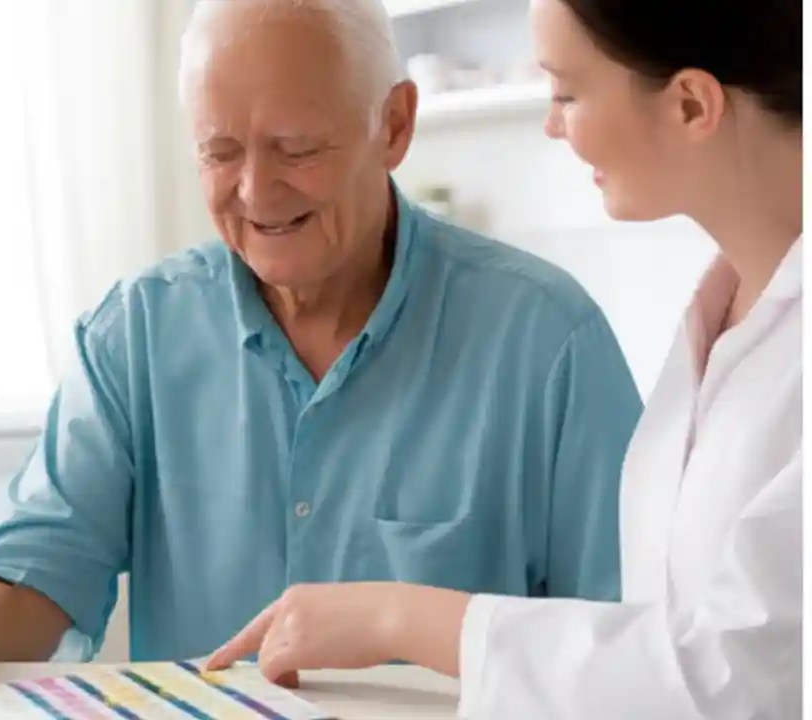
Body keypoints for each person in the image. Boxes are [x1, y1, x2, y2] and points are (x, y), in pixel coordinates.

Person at [0, 0, 644, 693]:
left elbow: (626, 645)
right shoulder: (137, 333)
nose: (255, 191)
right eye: (220, 153)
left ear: (394, 125)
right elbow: (44, 564)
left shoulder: (547, 340)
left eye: (296, 149)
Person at [207, 0, 803, 717]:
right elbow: (654, 646)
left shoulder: (557, 329)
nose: (552, 124)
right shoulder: (728, 312)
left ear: (689, 105)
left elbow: (742, 675)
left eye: (567, 93)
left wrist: (402, 618)